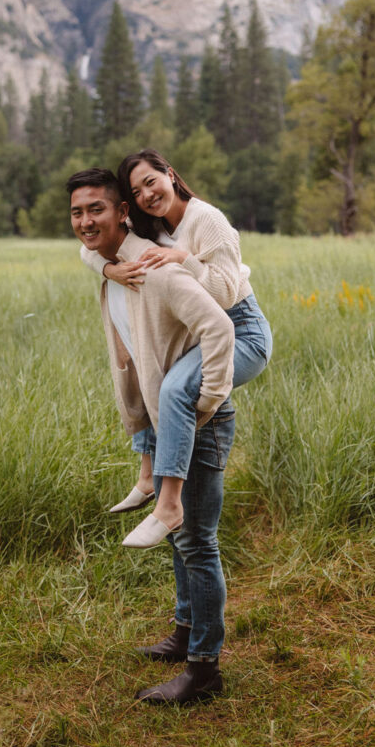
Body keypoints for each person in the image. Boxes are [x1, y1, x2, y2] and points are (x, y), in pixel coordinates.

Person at [68, 166, 236, 703]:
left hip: (196, 420)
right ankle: (185, 634)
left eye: (97, 208)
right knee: (180, 541)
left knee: (197, 542)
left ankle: (204, 669)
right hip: (168, 423)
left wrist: (207, 399)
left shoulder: (155, 268)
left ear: (123, 212)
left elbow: (221, 327)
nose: (86, 220)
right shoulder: (115, 266)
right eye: (77, 212)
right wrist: (101, 263)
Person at [80, 149, 272, 542]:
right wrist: (109, 267)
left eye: (152, 181)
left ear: (170, 174)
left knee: (174, 389)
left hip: (241, 329)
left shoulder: (208, 220)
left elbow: (223, 291)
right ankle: (147, 475)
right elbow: (91, 242)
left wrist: (180, 259)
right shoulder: (150, 222)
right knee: (149, 369)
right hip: (197, 328)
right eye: (137, 191)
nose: (148, 194)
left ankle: (169, 504)